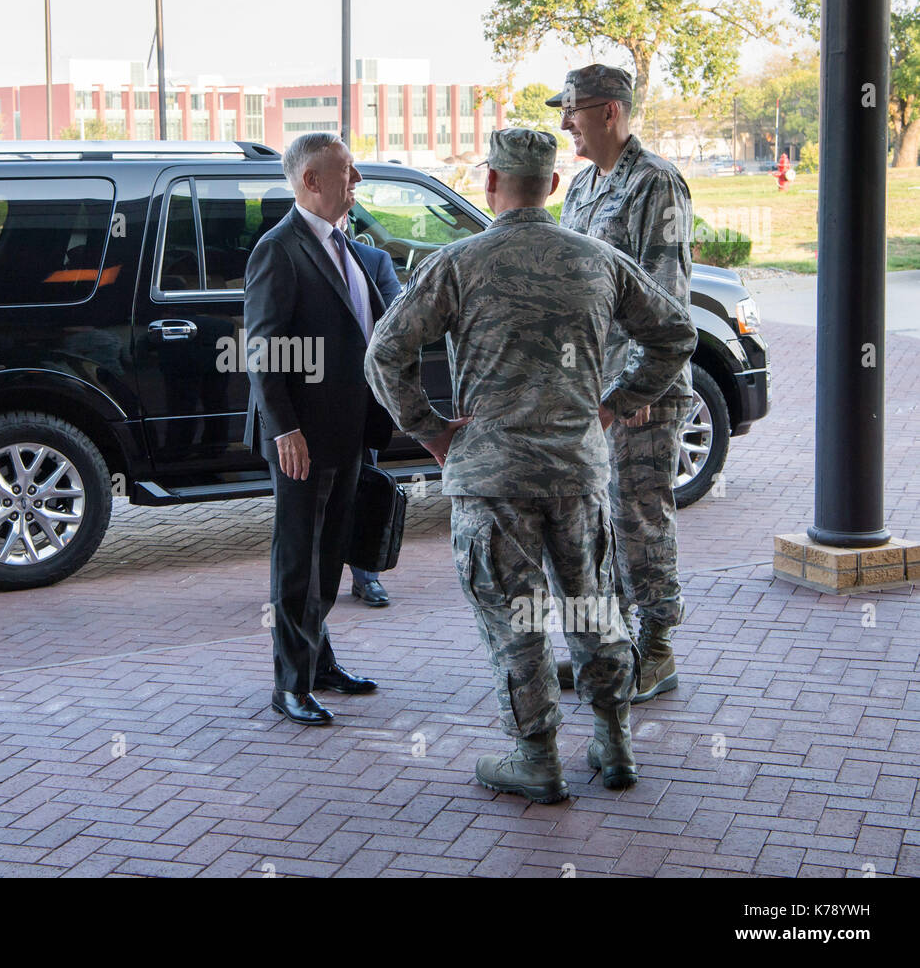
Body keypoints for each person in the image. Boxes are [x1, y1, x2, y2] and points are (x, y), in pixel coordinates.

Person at [364, 127, 695, 799]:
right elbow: (676, 333)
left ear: (490, 181)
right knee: (594, 610)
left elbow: (384, 355)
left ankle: (536, 759)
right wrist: (618, 402)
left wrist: (429, 430)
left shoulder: (458, 262)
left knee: (517, 618)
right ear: (551, 185)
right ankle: (615, 743)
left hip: (494, 478)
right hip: (577, 471)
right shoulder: (597, 260)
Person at [548, 65, 695, 704]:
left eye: (573, 110)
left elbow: (667, 298)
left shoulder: (656, 184)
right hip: (588, 394)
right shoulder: (582, 187)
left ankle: (656, 649)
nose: (563, 124)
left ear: (610, 112)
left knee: (640, 520)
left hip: (638, 398)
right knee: (597, 526)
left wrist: (634, 393)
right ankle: (609, 649)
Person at [243, 132, 393, 725]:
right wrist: (285, 431)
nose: (356, 183)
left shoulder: (344, 245)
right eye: (348, 173)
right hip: (302, 440)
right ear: (311, 180)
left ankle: (319, 664)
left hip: (349, 431)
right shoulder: (279, 249)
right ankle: (288, 685)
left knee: (330, 555)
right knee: (299, 562)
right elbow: (262, 349)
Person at [346, 229, 402, 607]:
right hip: (311, 399)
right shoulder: (287, 251)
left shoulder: (374, 260)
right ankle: (306, 580)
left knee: (365, 486)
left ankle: (366, 576)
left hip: (362, 397)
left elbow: (398, 320)